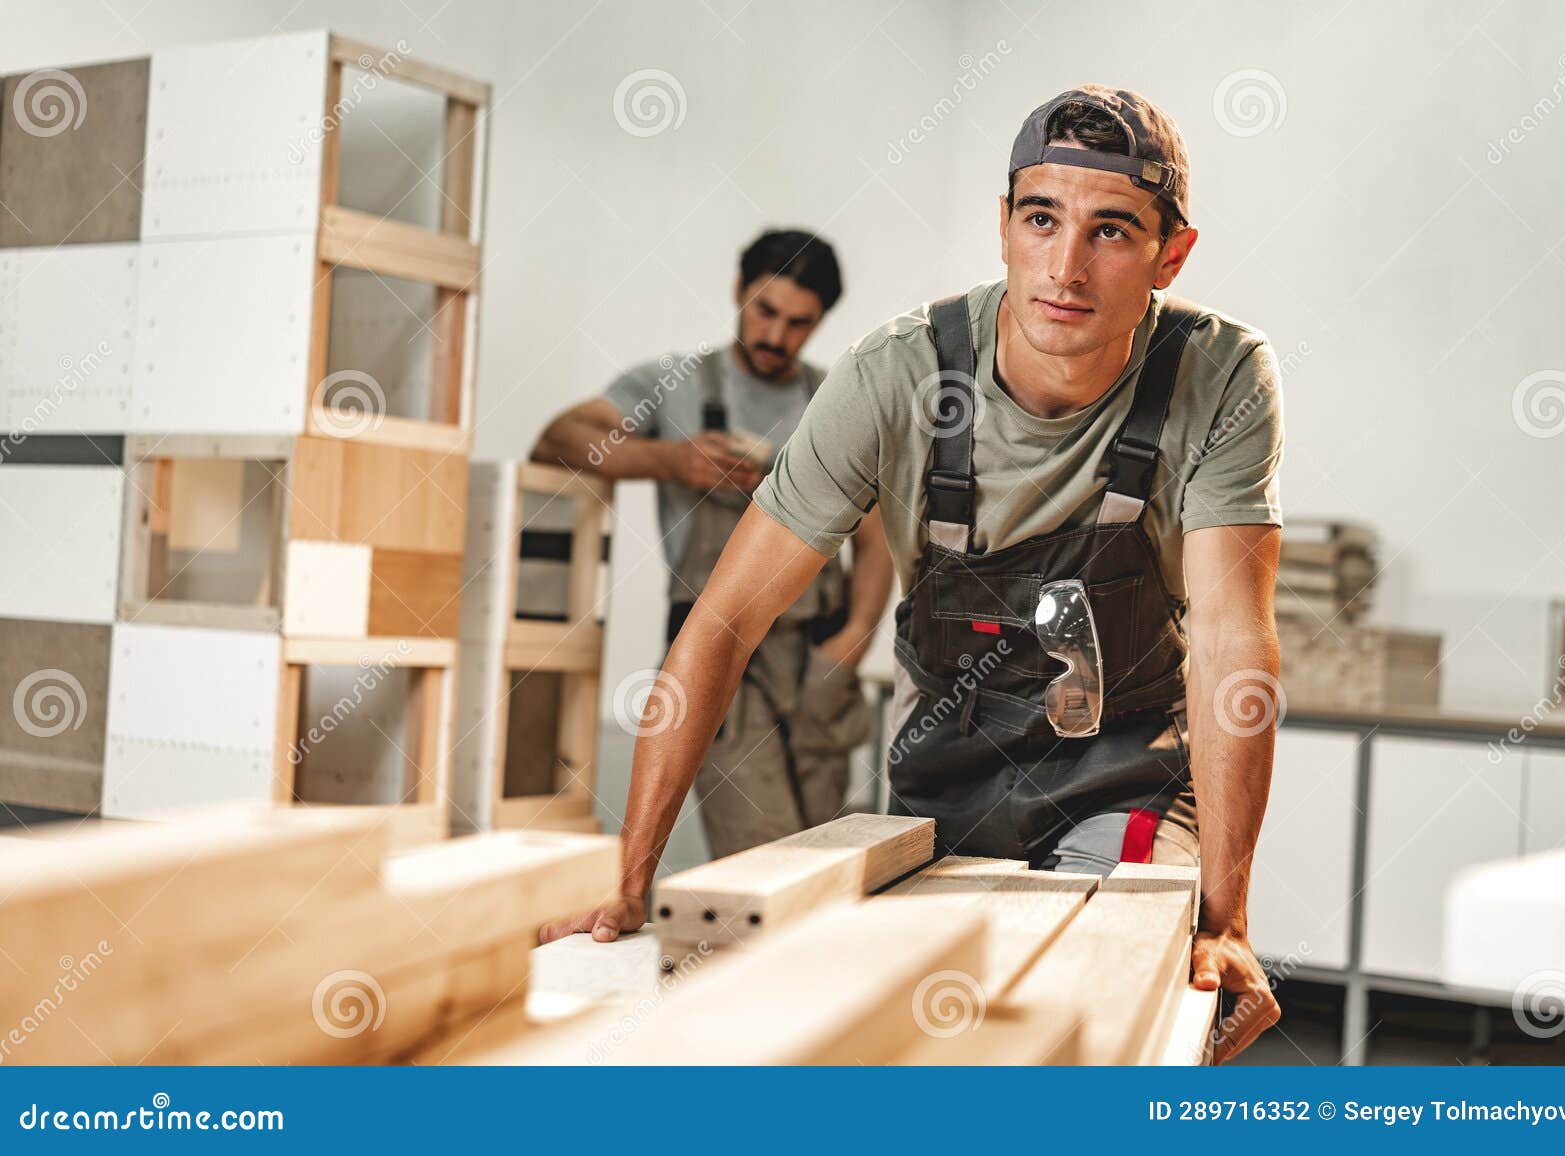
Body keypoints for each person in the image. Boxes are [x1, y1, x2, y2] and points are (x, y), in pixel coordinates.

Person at [541, 86, 1284, 1062]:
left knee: (1099, 1016)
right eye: (1040, 219)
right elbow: (720, 624)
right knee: (901, 1043)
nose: (1065, 266)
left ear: (1169, 254)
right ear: (1005, 226)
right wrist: (632, 882)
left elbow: (1232, 646)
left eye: (1111, 231)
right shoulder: (898, 375)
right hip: (942, 789)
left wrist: (1226, 918)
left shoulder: (1219, 374)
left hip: (1122, 784)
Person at [533, 230, 894, 858]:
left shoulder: (830, 397)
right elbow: (560, 437)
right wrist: (670, 459)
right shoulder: (675, 383)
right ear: (739, 291)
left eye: (799, 323)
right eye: (765, 311)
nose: (777, 336)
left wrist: (853, 638)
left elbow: (876, 533)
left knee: (828, 859)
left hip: (816, 657)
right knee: (765, 859)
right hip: (720, 657)